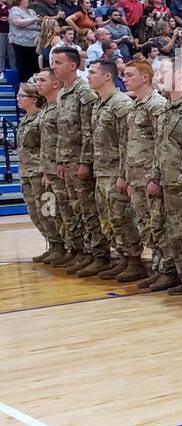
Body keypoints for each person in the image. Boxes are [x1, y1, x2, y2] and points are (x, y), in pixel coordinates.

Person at [50, 45, 108, 275]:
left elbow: (88, 129)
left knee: (88, 209)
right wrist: (60, 161)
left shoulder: (84, 92)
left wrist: (85, 161)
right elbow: (62, 132)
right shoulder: (64, 93)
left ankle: (99, 254)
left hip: (81, 160)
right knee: (74, 209)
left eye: (58, 62)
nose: (54, 66)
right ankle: (83, 251)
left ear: (72, 66)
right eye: (53, 62)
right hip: (67, 159)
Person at [86, 58, 141, 280]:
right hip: (102, 170)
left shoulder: (120, 104)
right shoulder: (100, 103)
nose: (88, 76)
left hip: (115, 171)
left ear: (107, 76)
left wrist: (123, 175)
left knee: (122, 217)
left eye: (92, 72)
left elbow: (128, 142)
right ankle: (123, 257)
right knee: (108, 219)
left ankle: (135, 261)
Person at [153, 59, 182, 293]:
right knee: (175, 231)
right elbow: (159, 146)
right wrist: (155, 176)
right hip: (167, 179)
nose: (158, 75)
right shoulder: (165, 108)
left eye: (164, 72)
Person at [122, 59, 168, 286]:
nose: (124, 78)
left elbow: (161, 143)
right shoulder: (136, 104)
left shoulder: (156, 104)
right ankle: (158, 268)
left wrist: (155, 176)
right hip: (136, 175)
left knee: (158, 224)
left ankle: (167, 270)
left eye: (129, 75)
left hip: (149, 175)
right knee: (146, 225)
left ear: (145, 77)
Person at [17, 80, 64, 261]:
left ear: (34, 98)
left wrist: (46, 171)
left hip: (39, 172)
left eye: (22, 95)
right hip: (26, 172)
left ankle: (60, 246)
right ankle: (52, 245)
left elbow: (46, 146)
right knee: (35, 213)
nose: (18, 98)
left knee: (47, 212)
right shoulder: (24, 120)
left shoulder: (41, 119)